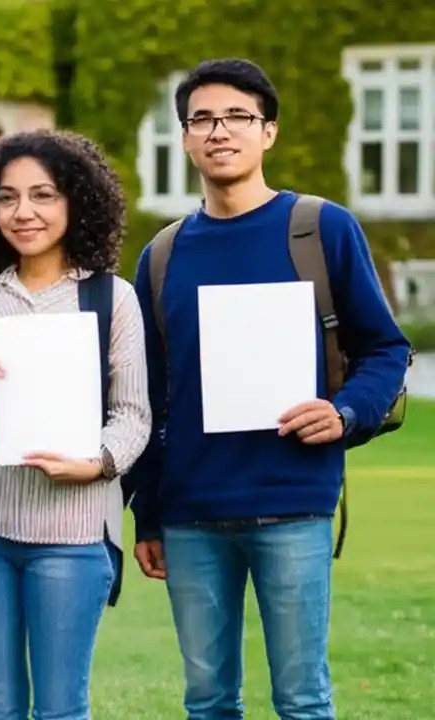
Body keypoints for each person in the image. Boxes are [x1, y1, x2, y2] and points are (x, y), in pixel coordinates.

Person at [127, 58, 412, 720]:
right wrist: (146, 512)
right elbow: (149, 391)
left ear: (268, 132)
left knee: (303, 699)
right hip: (191, 514)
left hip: (294, 503)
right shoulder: (163, 255)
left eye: (237, 117)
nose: (219, 131)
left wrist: (344, 412)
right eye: (202, 119)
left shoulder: (320, 229)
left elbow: (387, 349)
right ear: (185, 136)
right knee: (207, 701)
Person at [0, 129, 151, 720]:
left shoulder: (111, 300)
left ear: (75, 202)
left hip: (72, 534)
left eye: (43, 195)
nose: (23, 212)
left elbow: (133, 417)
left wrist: (96, 463)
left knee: (60, 708)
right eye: (7, 197)